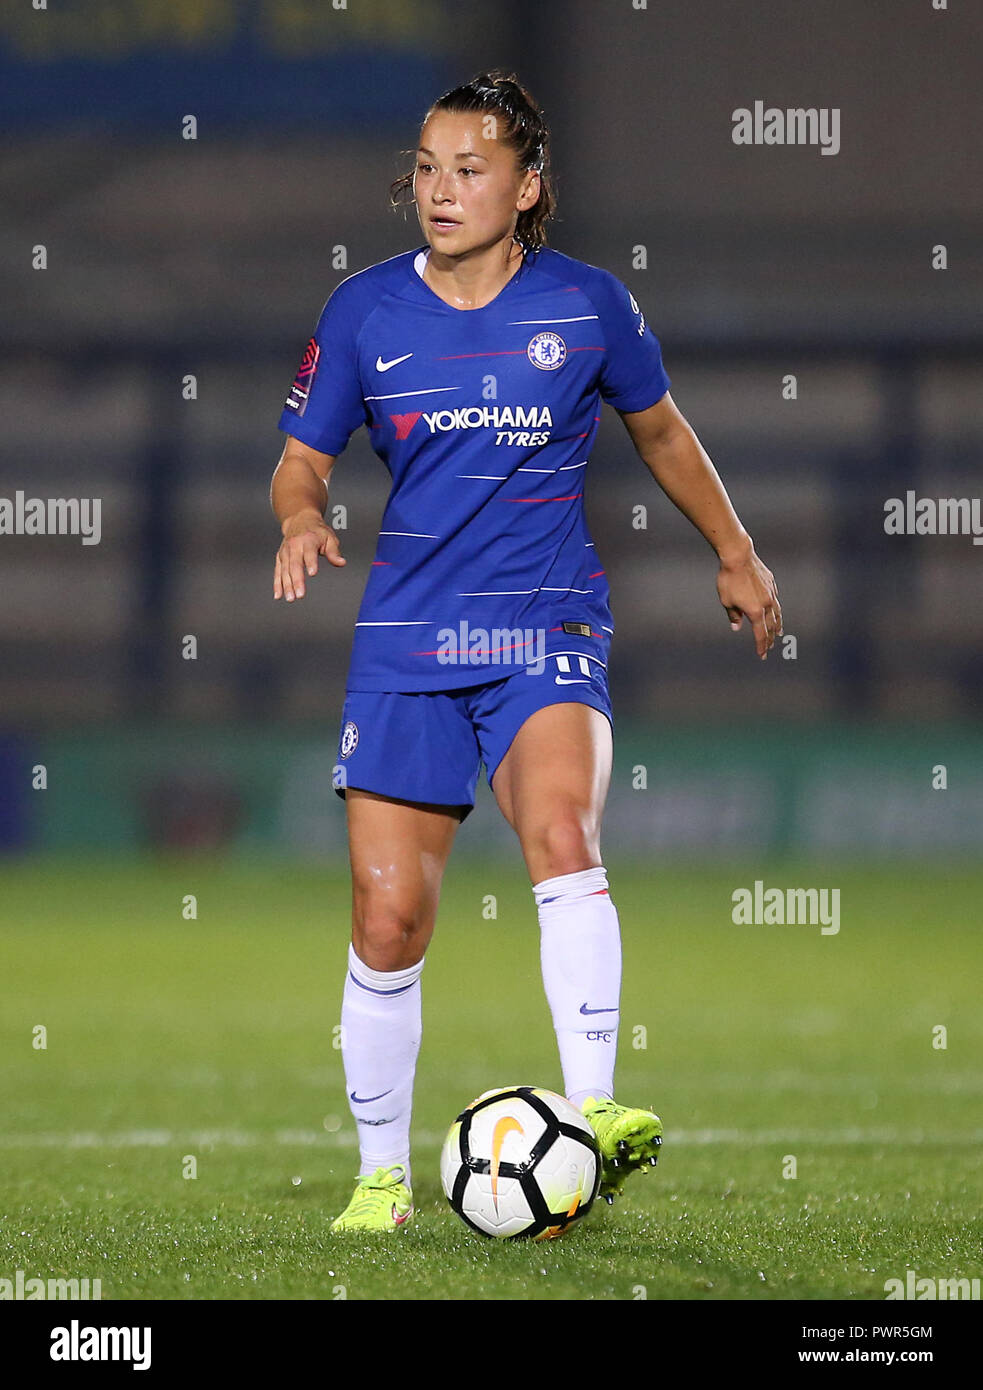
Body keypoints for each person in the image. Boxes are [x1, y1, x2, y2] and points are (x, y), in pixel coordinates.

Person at [271, 71, 781, 1233]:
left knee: (560, 829)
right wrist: (301, 513)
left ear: (527, 185)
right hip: (408, 639)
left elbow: (658, 428)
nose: (438, 190)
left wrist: (734, 551)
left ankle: (591, 1115)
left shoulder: (589, 305)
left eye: (469, 168)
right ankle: (379, 1179)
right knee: (386, 916)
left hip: (542, 621)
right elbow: (300, 457)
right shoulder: (362, 312)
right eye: (425, 167)